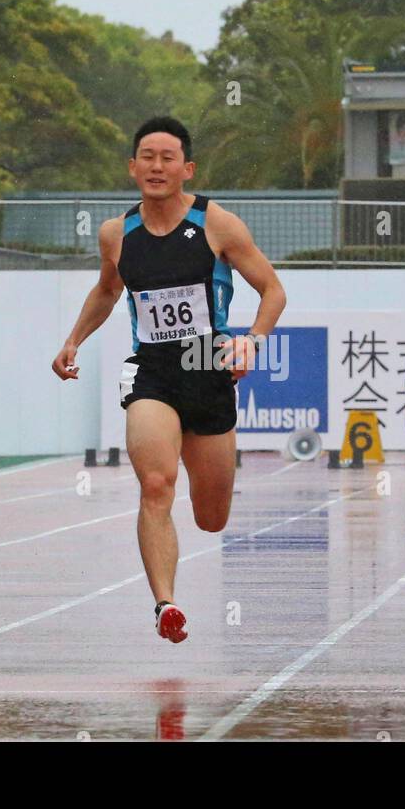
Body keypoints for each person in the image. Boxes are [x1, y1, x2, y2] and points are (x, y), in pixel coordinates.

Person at [52, 116, 286, 643]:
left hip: (208, 364)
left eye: (168, 158)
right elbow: (108, 292)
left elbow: (273, 290)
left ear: (187, 168)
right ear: (133, 166)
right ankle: (165, 604)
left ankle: (189, 551)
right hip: (152, 368)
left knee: (211, 517)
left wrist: (252, 340)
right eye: (148, 157)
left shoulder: (217, 224)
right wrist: (73, 340)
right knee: (156, 484)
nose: (157, 167)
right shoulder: (116, 233)